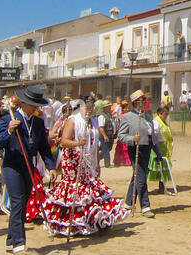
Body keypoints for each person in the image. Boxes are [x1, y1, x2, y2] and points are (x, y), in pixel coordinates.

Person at [42, 97, 128, 237]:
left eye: (90, 109)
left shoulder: (93, 122)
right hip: (73, 160)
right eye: (85, 109)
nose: (88, 112)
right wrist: (77, 144)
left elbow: (95, 144)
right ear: (79, 109)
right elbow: (64, 141)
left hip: (89, 161)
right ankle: (72, 221)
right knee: (77, 190)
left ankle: (94, 219)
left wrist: (97, 162)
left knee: (91, 189)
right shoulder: (73, 120)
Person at [0, 85, 55, 251]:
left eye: (37, 104)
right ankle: (19, 244)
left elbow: (43, 147)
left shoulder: (38, 123)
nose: (36, 107)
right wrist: (8, 131)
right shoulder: (8, 119)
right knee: (18, 201)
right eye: (33, 104)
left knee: (22, 202)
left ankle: (10, 239)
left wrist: (51, 167)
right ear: (23, 103)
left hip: (29, 165)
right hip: (12, 165)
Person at [116, 88, 155, 217]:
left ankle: (128, 202)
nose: (144, 102)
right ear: (135, 103)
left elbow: (152, 136)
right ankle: (145, 205)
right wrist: (132, 139)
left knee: (137, 176)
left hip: (147, 149)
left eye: (144, 100)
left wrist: (158, 152)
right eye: (141, 100)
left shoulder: (148, 116)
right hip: (136, 148)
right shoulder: (127, 117)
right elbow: (121, 135)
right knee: (141, 177)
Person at [148, 104, 175, 195]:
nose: (166, 116)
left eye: (167, 114)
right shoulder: (156, 122)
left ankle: (161, 187)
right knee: (152, 168)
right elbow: (154, 136)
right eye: (165, 114)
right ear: (159, 114)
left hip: (164, 147)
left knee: (163, 168)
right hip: (157, 147)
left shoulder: (164, 123)